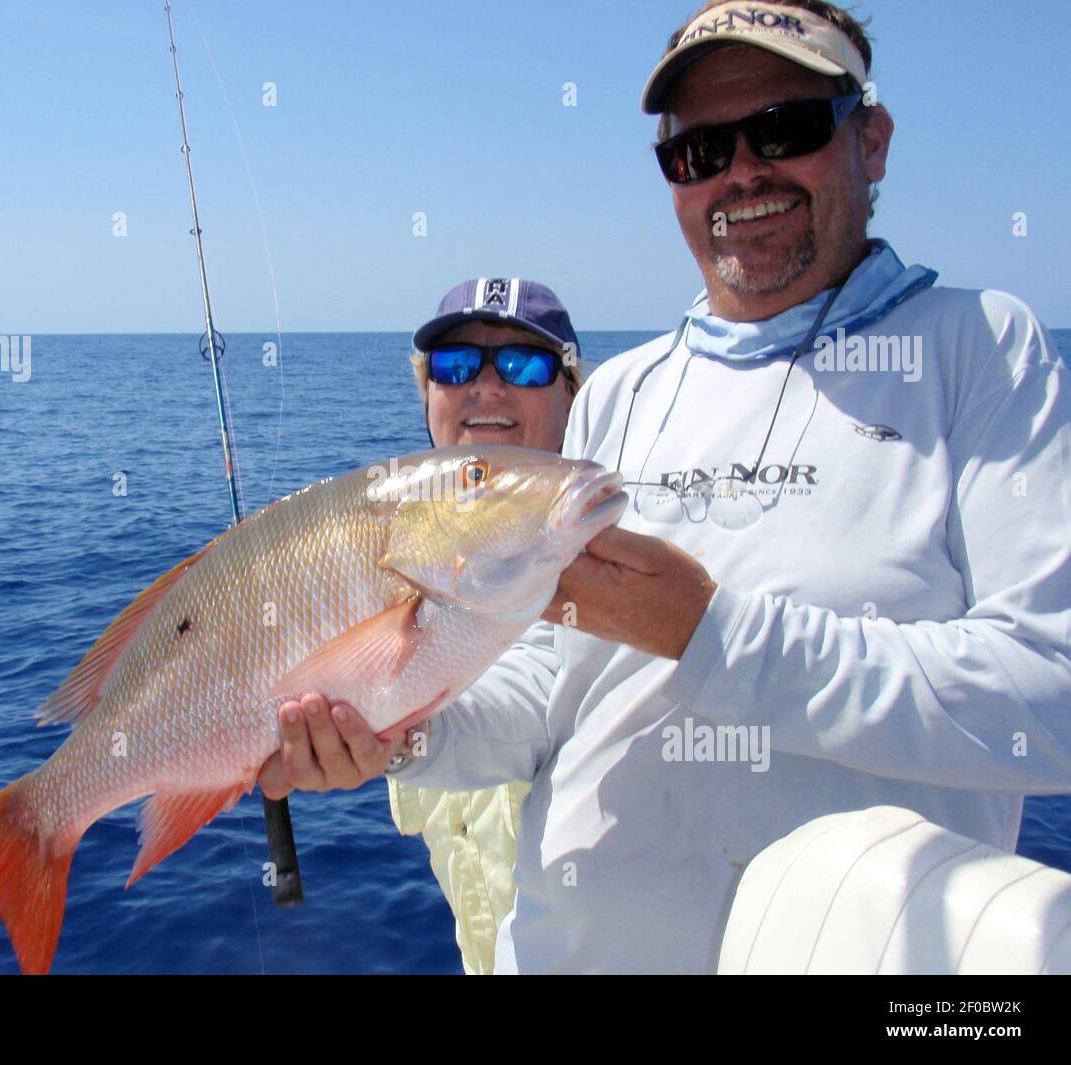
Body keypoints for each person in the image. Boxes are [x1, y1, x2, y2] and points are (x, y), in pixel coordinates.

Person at [261, 0, 1071, 973]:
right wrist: (401, 735)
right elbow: (544, 690)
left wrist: (714, 637)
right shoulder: (625, 393)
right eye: (697, 149)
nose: (741, 172)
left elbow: (1049, 702)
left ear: (872, 137)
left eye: (784, 127)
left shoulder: (980, 351)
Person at [391, 279, 584, 975]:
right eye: (454, 366)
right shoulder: (396, 564)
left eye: (525, 365)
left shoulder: (621, 551)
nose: (485, 388)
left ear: (573, 391)